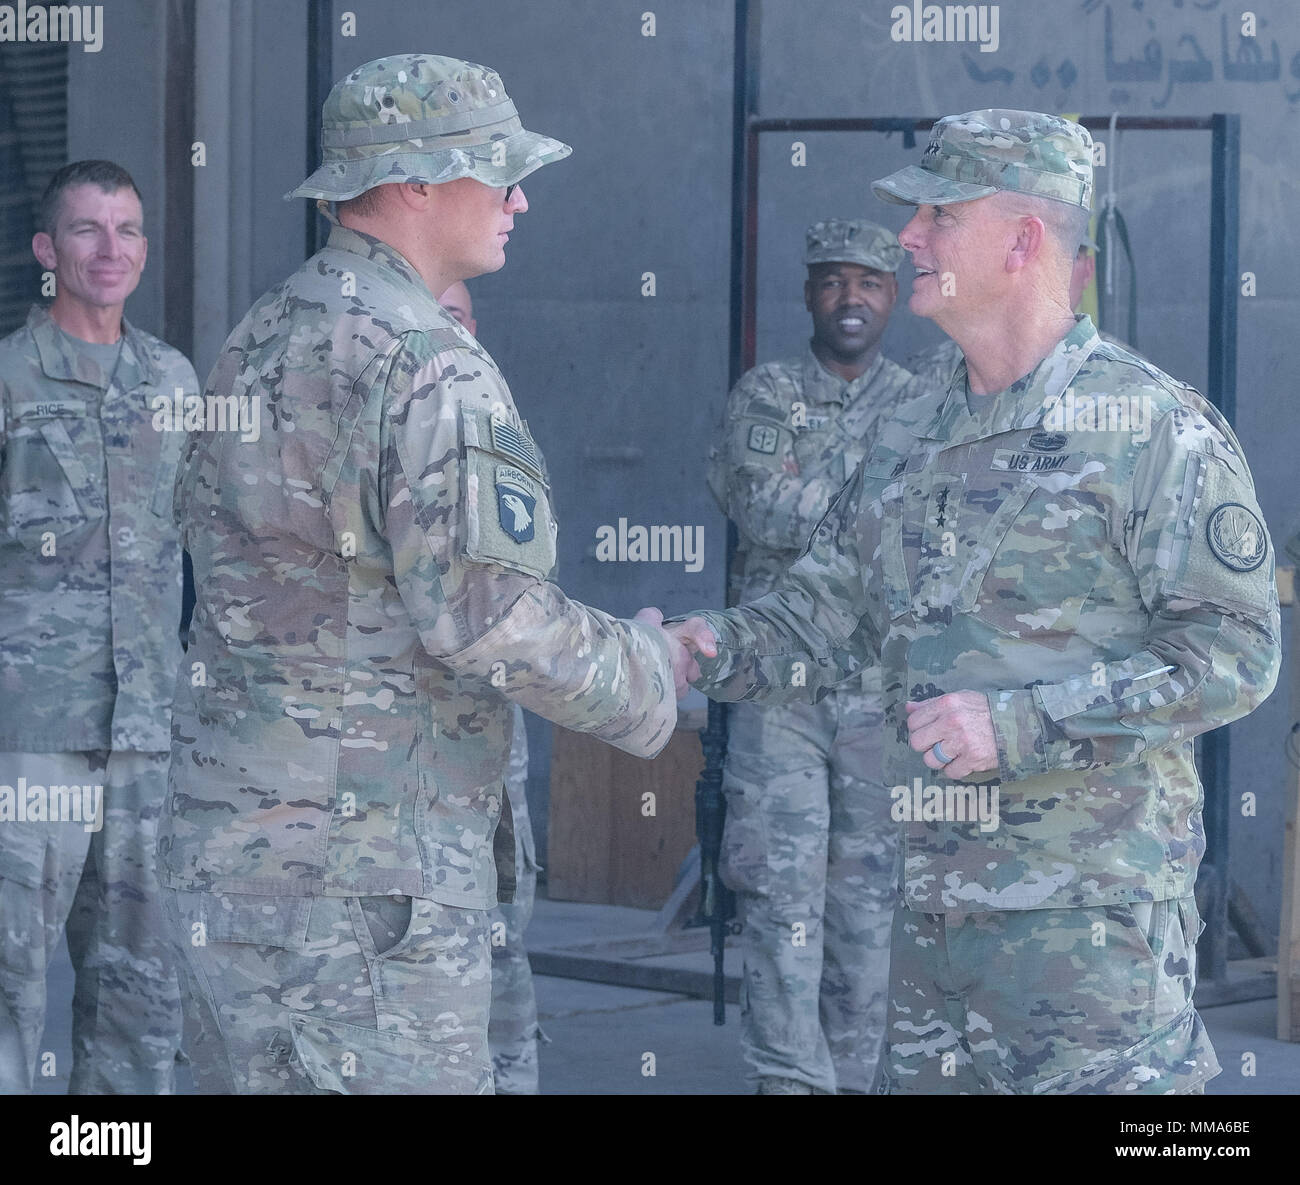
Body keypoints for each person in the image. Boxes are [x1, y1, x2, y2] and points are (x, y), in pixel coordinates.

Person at [663, 110, 1280, 1094]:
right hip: (929, 927)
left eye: (935, 216)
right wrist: (693, 649)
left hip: (1085, 936)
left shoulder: (1151, 427)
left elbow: (1235, 657)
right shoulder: (911, 418)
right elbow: (822, 617)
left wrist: (1019, 723)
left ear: (1022, 240)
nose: (907, 239)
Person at [157, 53, 683, 1095]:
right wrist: (651, 676)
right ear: (416, 183)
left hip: (232, 860)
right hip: (368, 882)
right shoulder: (424, 359)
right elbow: (492, 620)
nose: (520, 199)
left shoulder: (258, 336)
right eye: (500, 170)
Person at [703, 220, 918, 1094]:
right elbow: (765, 512)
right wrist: (877, 507)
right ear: (808, 295)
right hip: (778, 696)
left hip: (879, 700)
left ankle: (855, 1081)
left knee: (868, 912)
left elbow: (933, 528)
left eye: (869, 282)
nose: (851, 299)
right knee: (781, 904)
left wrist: (860, 509)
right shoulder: (766, 393)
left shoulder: (924, 398)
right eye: (833, 281)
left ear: (893, 297)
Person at [0, 160, 193, 1092]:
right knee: (8, 986)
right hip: (28, 740)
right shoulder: (7, 381)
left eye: (127, 230)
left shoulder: (173, 383)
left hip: (146, 742)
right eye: (86, 230)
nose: (110, 250)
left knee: (139, 1000)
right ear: (47, 249)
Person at [436, 278, 546, 1094]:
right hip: (410, 762)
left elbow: (523, 592)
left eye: (459, 319)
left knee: (508, 966)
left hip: (495, 745)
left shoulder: (502, 426)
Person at [906, 236, 1147, 388]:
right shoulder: (929, 370)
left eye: (1065, 256)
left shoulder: (1130, 377)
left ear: (1088, 271)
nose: (1050, 269)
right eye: (1039, 255)